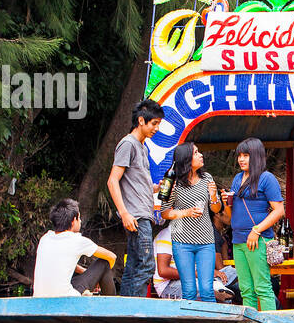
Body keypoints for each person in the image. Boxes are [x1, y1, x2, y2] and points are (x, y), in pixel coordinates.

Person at [106, 99, 164, 297]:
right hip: (136, 216)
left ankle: (125, 310)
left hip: (141, 213)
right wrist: (124, 213)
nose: (156, 128)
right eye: (154, 123)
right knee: (146, 266)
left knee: (133, 266)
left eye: (158, 124)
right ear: (141, 121)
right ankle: (134, 310)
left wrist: (156, 188)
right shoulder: (128, 144)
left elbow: (135, 181)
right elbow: (112, 181)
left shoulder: (142, 147)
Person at [221, 137, 284, 310]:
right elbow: (230, 216)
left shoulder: (266, 178)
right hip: (238, 239)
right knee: (246, 289)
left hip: (257, 239)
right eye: (239, 155)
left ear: (256, 156)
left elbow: (279, 211)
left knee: (262, 287)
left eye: (246, 155)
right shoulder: (237, 178)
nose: (241, 159)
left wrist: (256, 230)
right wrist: (226, 202)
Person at [162, 142, 221, 302]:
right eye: (196, 153)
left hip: (206, 241)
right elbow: (165, 213)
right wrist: (186, 213)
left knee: (207, 290)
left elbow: (216, 209)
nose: (201, 155)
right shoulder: (174, 182)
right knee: (188, 291)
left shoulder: (206, 178)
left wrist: (214, 196)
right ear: (186, 159)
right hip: (182, 242)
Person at [32, 199, 117, 296]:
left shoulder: (45, 238)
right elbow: (112, 257)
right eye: (79, 218)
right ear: (73, 221)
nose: (80, 221)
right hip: (65, 298)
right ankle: (111, 305)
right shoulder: (77, 240)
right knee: (104, 263)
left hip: (40, 297)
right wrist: (102, 277)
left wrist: (89, 273)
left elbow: (59, 261)